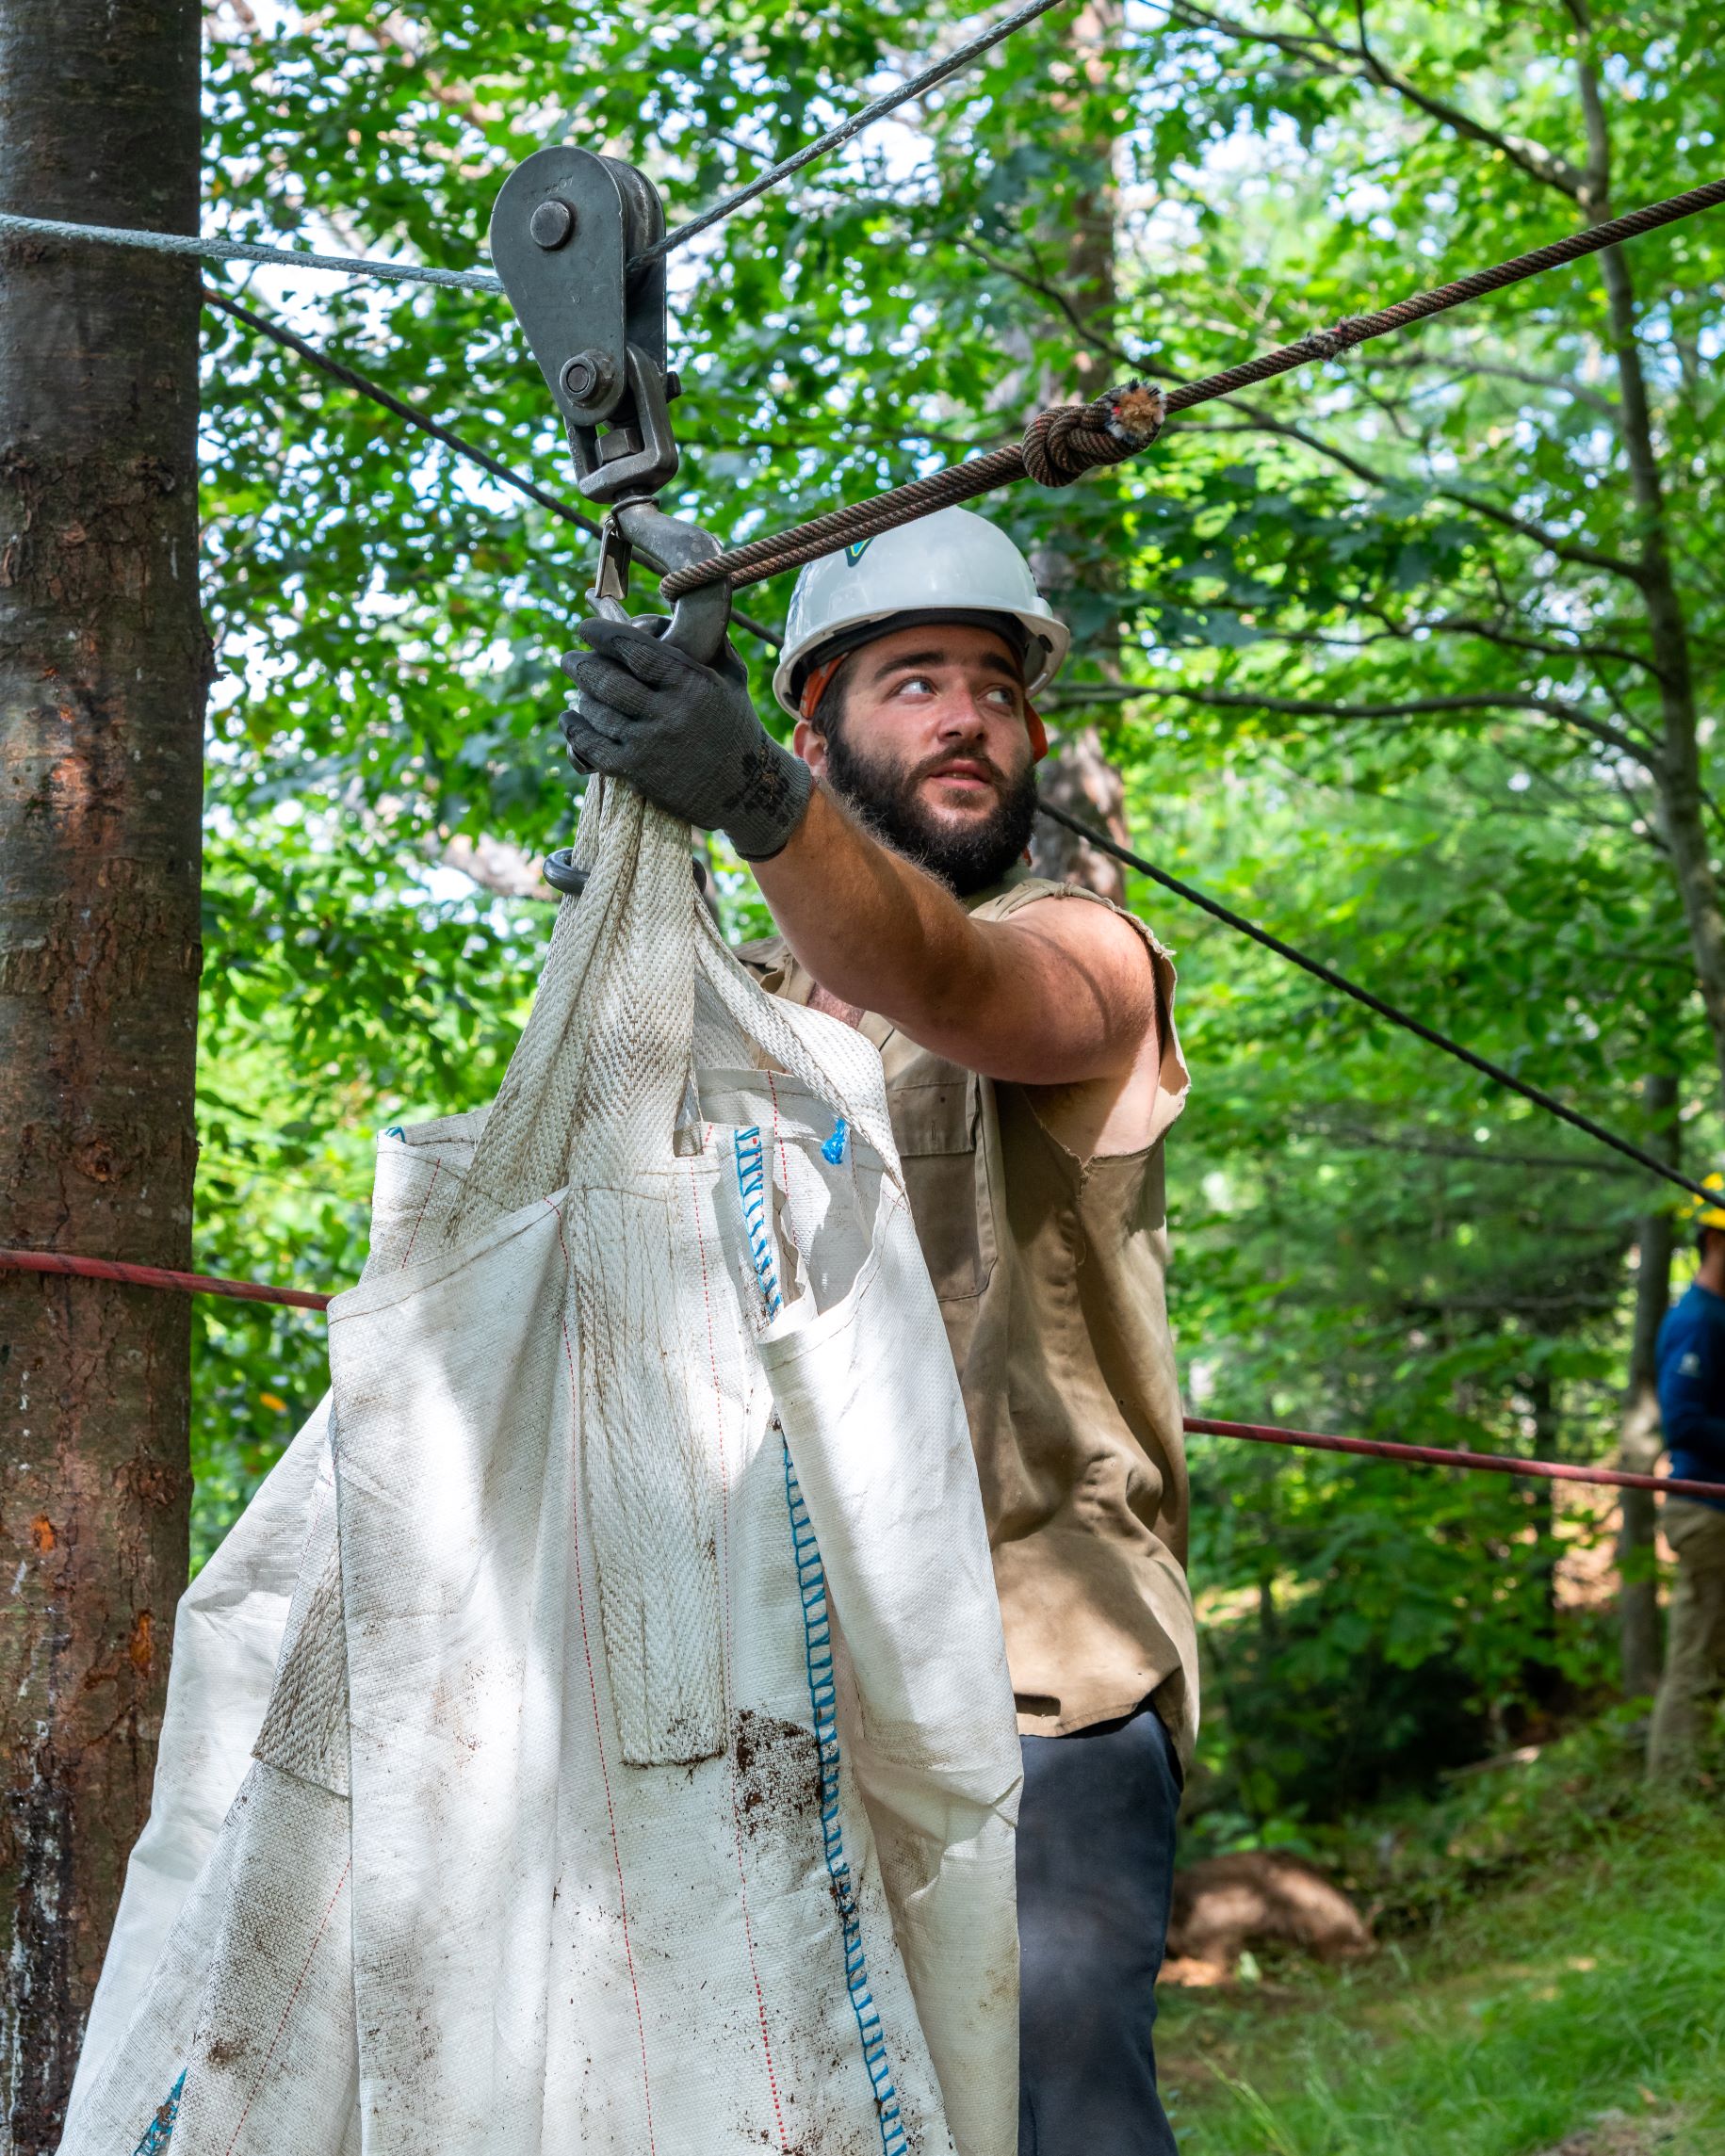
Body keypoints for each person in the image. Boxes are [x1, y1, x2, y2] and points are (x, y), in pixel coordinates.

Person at [561, 504, 1196, 2156]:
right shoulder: (745, 1015)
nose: (967, 712)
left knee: (1058, 2109)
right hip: (776, 1682)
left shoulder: (1086, 955)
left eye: (995, 683)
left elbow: (950, 983)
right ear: (814, 724)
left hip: (1034, 1678)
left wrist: (755, 810)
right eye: (912, 679)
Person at [1648, 1181, 1725, 1781]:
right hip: (1706, 1513)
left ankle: (1692, 1781)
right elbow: (1684, 1420)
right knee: (1697, 1657)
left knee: (1710, 1656)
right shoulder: (1697, 1320)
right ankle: (1673, 1792)